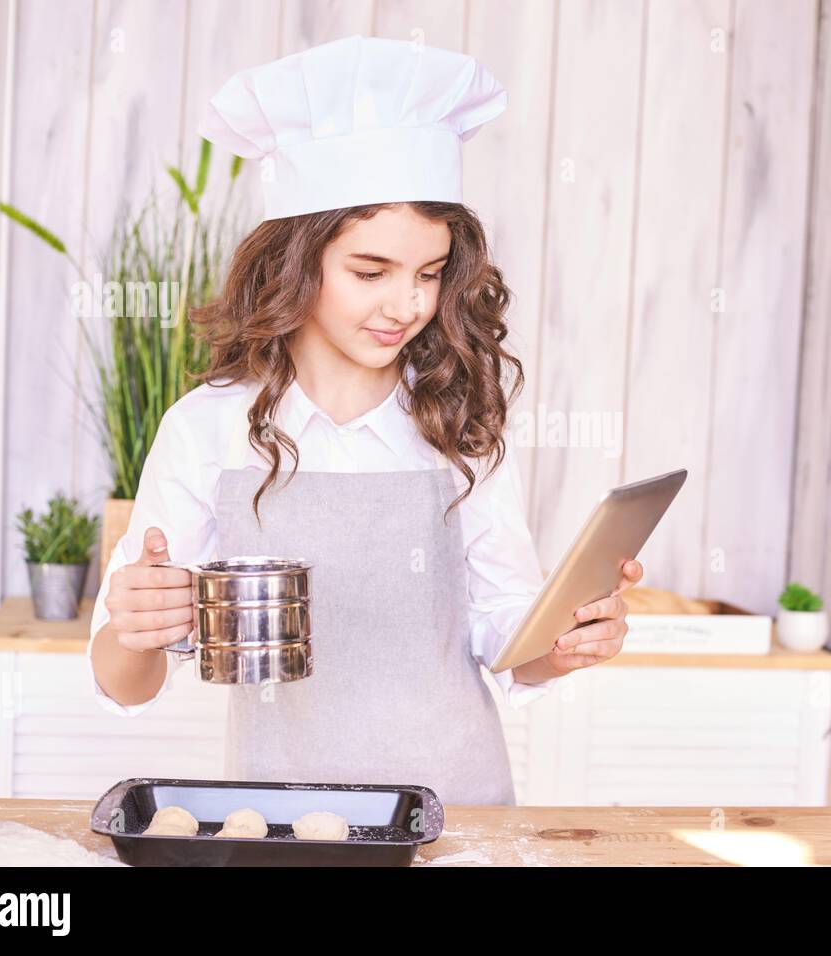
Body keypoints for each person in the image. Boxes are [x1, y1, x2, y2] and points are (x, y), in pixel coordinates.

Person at [86, 35, 643, 806]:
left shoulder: (458, 424)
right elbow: (126, 682)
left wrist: (570, 640)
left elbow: (507, 643)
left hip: (457, 818)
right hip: (274, 823)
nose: (407, 304)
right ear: (293, 262)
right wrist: (137, 625)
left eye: (429, 273)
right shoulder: (205, 430)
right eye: (370, 271)